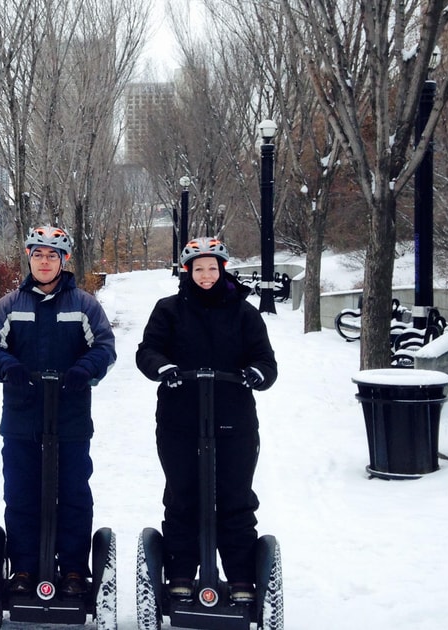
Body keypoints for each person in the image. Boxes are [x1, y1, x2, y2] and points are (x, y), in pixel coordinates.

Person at [135, 236, 277, 603]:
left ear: (223, 269)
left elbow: (265, 360)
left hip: (233, 421)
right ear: (187, 271)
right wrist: (162, 367)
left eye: (212, 268)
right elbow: (147, 351)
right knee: (183, 496)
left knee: (235, 498)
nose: (206, 275)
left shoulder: (245, 313)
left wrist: (257, 373)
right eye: (199, 268)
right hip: (180, 420)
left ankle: (242, 578)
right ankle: (181, 572)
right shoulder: (168, 310)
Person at [0, 225, 116, 598]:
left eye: (51, 255)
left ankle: (73, 569)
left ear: (63, 260)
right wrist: (8, 367)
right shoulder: (9, 305)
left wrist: (85, 369)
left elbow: (104, 346)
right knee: (22, 492)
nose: (44, 261)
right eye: (38, 254)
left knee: (72, 492)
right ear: (28, 257)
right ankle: (23, 566)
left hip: (70, 414)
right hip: (23, 416)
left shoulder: (84, 305)